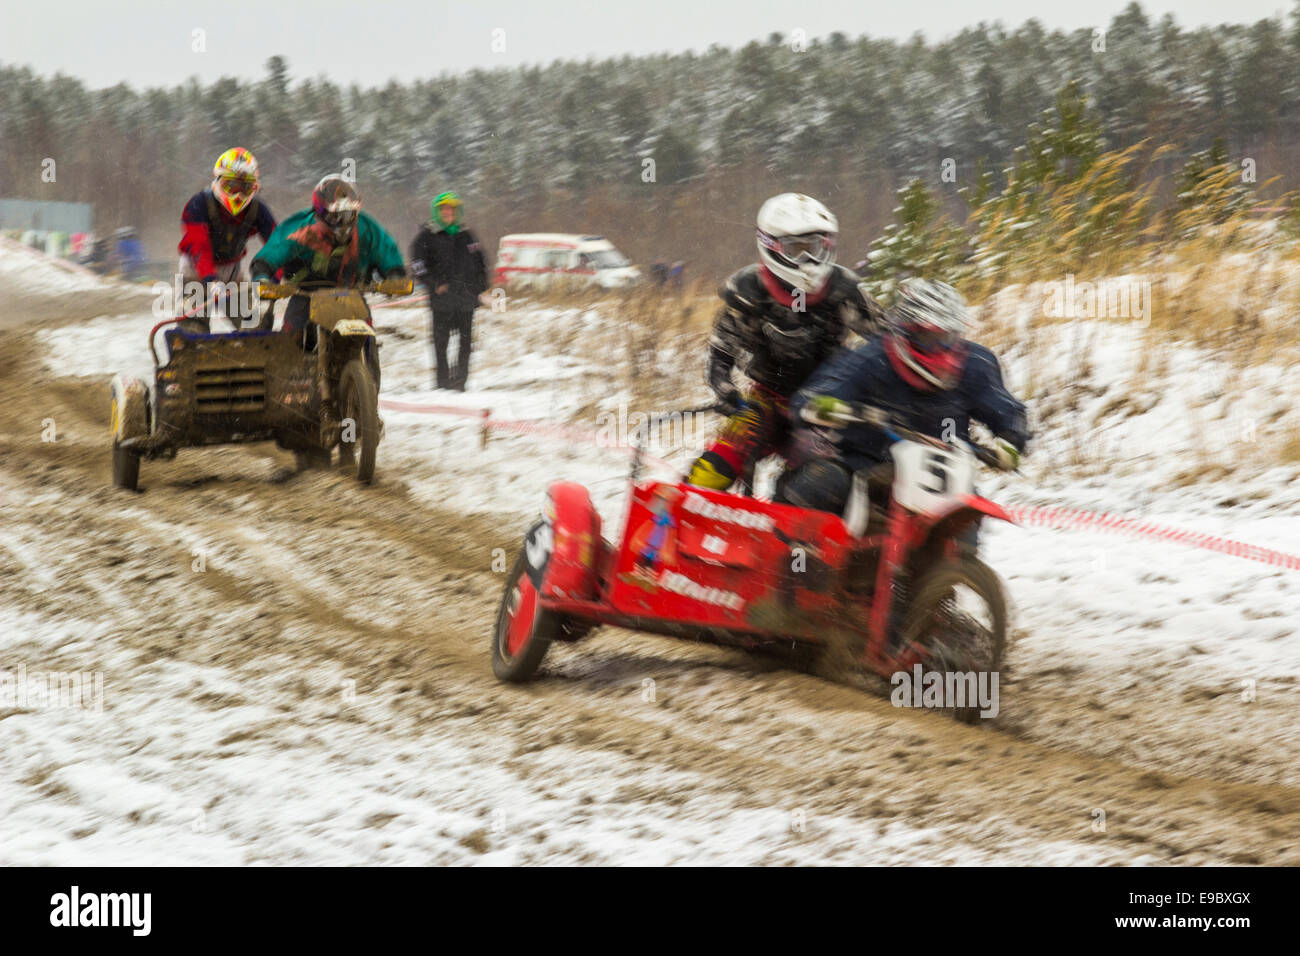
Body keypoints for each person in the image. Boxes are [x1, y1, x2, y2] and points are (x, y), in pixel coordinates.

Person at [782, 278, 1030, 519]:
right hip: (865, 465)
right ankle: (776, 545)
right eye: (927, 337)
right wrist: (833, 408)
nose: (938, 347)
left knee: (966, 518)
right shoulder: (872, 357)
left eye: (947, 338)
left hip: (945, 474)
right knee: (815, 484)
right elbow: (811, 398)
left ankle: (956, 557)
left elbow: (1007, 410)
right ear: (903, 333)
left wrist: (1009, 443)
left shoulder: (977, 364)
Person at [684, 192, 884, 491]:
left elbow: (888, 344)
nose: (810, 259)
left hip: (826, 405)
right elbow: (720, 353)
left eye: (817, 247)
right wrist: (728, 394)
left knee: (812, 480)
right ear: (770, 246)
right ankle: (685, 516)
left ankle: (790, 526)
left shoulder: (845, 291)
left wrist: (880, 393)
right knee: (715, 467)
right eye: (798, 249)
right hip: (765, 400)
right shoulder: (746, 293)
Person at [249, 174, 406, 351]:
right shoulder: (301, 229)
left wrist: (395, 275)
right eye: (336, 216)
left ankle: (368, 374)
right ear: (320, 213)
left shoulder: (367, 228)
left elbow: (386, 250)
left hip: (351, 293)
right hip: (305, 294)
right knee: (291, 339)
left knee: (367, 339)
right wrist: (262, 276)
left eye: (348, 215)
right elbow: (274, 251)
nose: (342, 222)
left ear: (356, 211)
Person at [177, 147, 277, 328]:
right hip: (195, 273)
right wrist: (210, 279)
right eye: (232, 186)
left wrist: (275, 279)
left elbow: (278, 245)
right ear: (217, 181)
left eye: (245, 187)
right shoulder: (198, 205)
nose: (238, 195)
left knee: (254, 328)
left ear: (254, 187)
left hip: (232, 273)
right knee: (193, 331)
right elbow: (199, 246)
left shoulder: (258, 210)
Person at [408, 191, 489, 390]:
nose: (448, 213)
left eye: (452, 209)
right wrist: (434, 283)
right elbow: (417, 265)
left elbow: (481, 263)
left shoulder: (467, 235)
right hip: (441, 301)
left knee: (465, 343)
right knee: (441, 344)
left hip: (466, 301)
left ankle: (460, 382)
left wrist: (480, 287)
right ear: (437, 211)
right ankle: (443, 383)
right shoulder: (426, 236)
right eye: (444, 209)